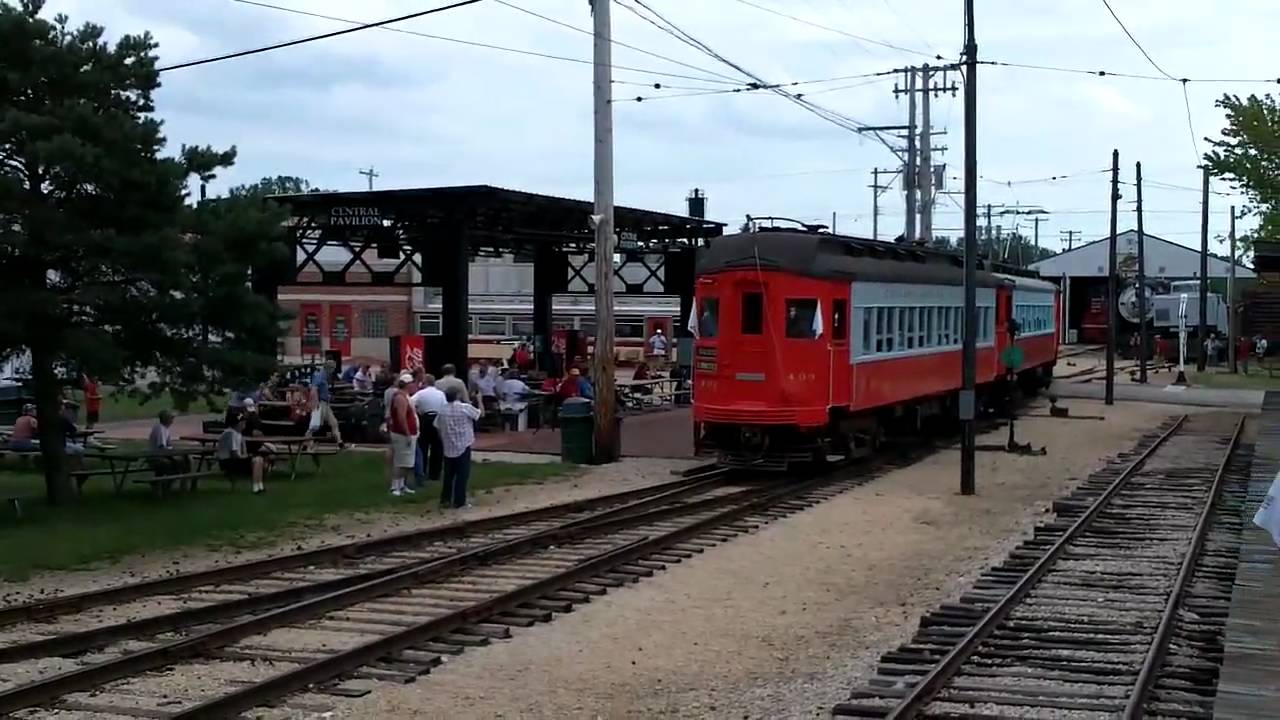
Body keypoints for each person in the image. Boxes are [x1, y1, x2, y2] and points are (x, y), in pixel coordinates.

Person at [435, 384, 482, 509]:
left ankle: (445, 500)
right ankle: (459, 501)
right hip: (463, 444)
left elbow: (437, 426)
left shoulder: (442, 410)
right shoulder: (464, 407)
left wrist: (443, 438)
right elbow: (479, 415)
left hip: (448, 445)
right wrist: (479, 400)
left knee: (448, 475)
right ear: (457, 395)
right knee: (462, 474)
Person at [216, 413, 267, 494]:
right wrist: (244, 457)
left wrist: (246, 456)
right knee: (256, 460)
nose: (244, 423)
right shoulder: (230, 434)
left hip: (234, 459)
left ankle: (260, 485)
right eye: (242, 422)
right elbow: (234, 453)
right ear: (237, 424)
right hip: (228, 461)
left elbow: (242, 451)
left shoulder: (238, 433)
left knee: (259, 459)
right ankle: (255, 487)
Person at [387, 373, 419, 497]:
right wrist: (407, 433)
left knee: (407, 462)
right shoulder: (400, 398)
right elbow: (401, 417)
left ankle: (402, 485)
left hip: (410, 433)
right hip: (402, 434)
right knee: (400, 461)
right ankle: (395, 486)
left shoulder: (406, 396)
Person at [412, 374, 446, 485]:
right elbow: (445, 406)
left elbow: (411, 403)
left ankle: (422, 470)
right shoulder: (441, 394)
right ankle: (435, 474)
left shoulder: (421, 393)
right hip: (438, 418)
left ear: (424, 382)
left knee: (423, 446)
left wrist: (417, 411)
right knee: (437, 447)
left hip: (425, 419)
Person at [305, 359, 345, 448]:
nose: (333, 370)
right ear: (328, 367)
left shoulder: (326, 376)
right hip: (320, 403)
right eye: (333, 368)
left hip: (326, 404)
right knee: (315, 426)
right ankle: (305, 441)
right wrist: (316, 403)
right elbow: (314, 389)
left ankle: (340, 442)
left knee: (334, 422)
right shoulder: (320, 376)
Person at [146, 409, 191, 476]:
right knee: (181, 462)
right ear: (166, 419)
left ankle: (162, 482)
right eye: (171, 418)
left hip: (158, 456)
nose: (173, 421)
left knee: (185, 459)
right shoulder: (161, 429)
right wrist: (174, 454)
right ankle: (174, 481)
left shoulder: (162, 428)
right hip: (157, 457)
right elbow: (162, 447)